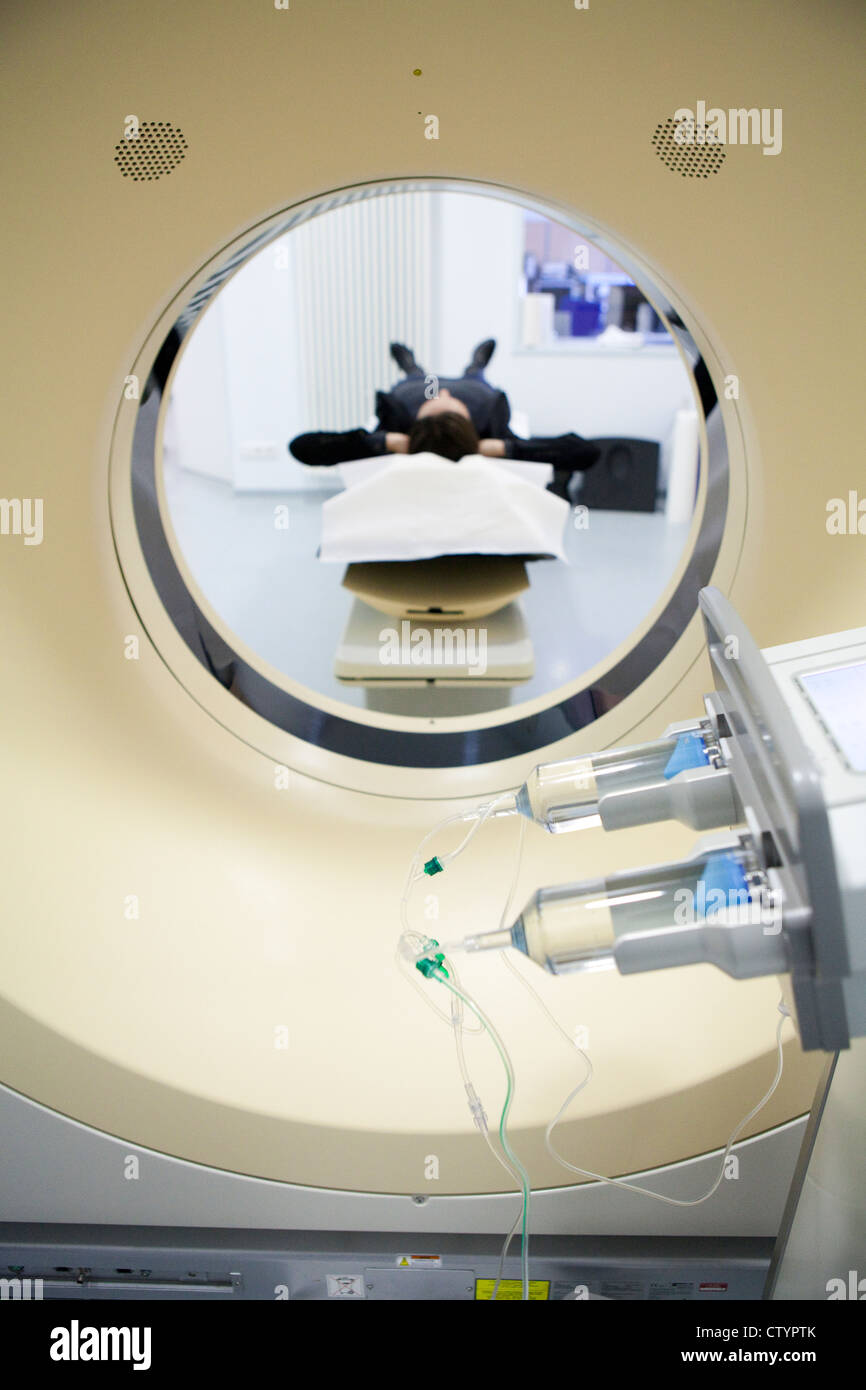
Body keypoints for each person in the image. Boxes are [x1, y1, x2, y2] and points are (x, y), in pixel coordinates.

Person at [288, 340, 601, 496]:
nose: (445, 393)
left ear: (415, 424)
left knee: (418, 377)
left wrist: (386, 440)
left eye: (437, 402)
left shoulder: (402, 415)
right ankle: (476, 365)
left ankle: (410, 365)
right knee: (474, 376)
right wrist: (502, 448)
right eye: (449, 404)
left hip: (415, 390)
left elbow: (304, 447)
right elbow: (585, 452)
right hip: (474, 390)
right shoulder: (487, 420)